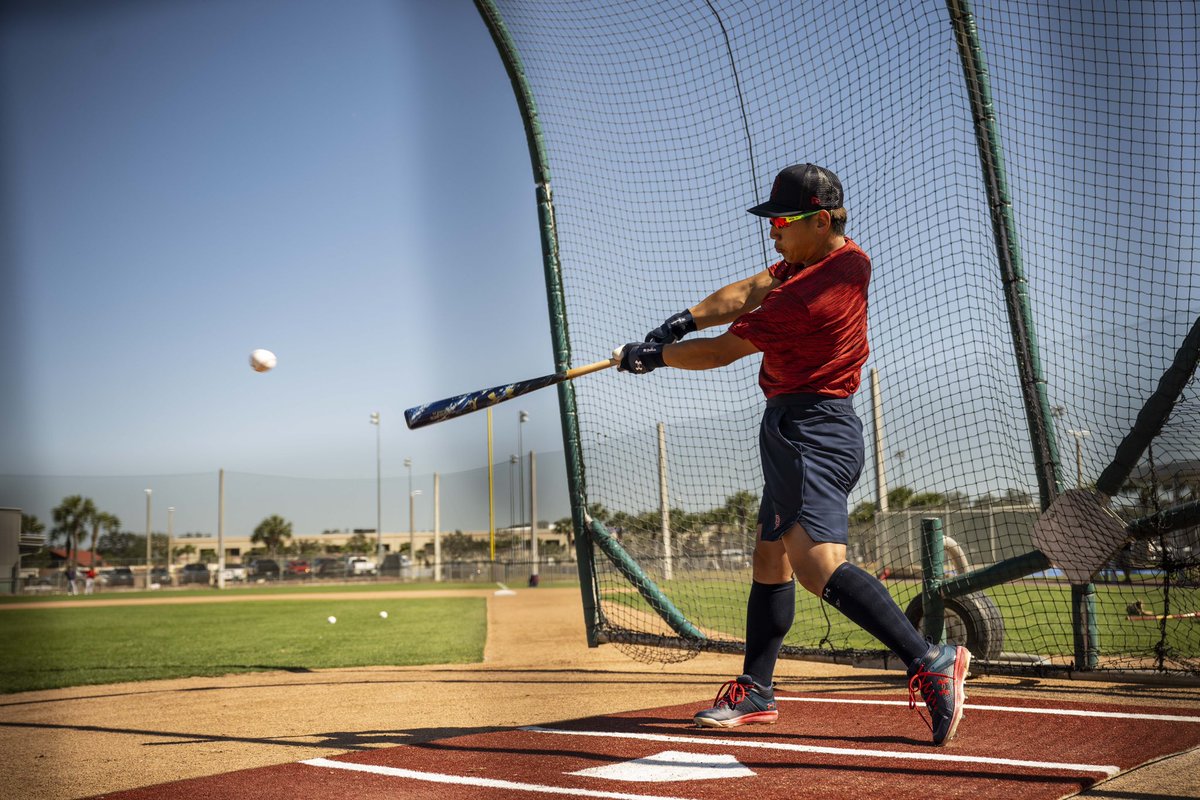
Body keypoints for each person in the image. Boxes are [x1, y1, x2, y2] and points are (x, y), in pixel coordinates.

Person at [614, 163, 971, 746]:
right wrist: (679, 322)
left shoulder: (813, 294)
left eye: (783, 220)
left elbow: (723, 353)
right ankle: (757, 689)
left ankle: (928, 658)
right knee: (769, 559)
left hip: (812, 430)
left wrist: (650, 358)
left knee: (816, 566)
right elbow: (751, 287)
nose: (773, 230)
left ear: (822, 219)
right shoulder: (830, 260)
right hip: (794, 427)